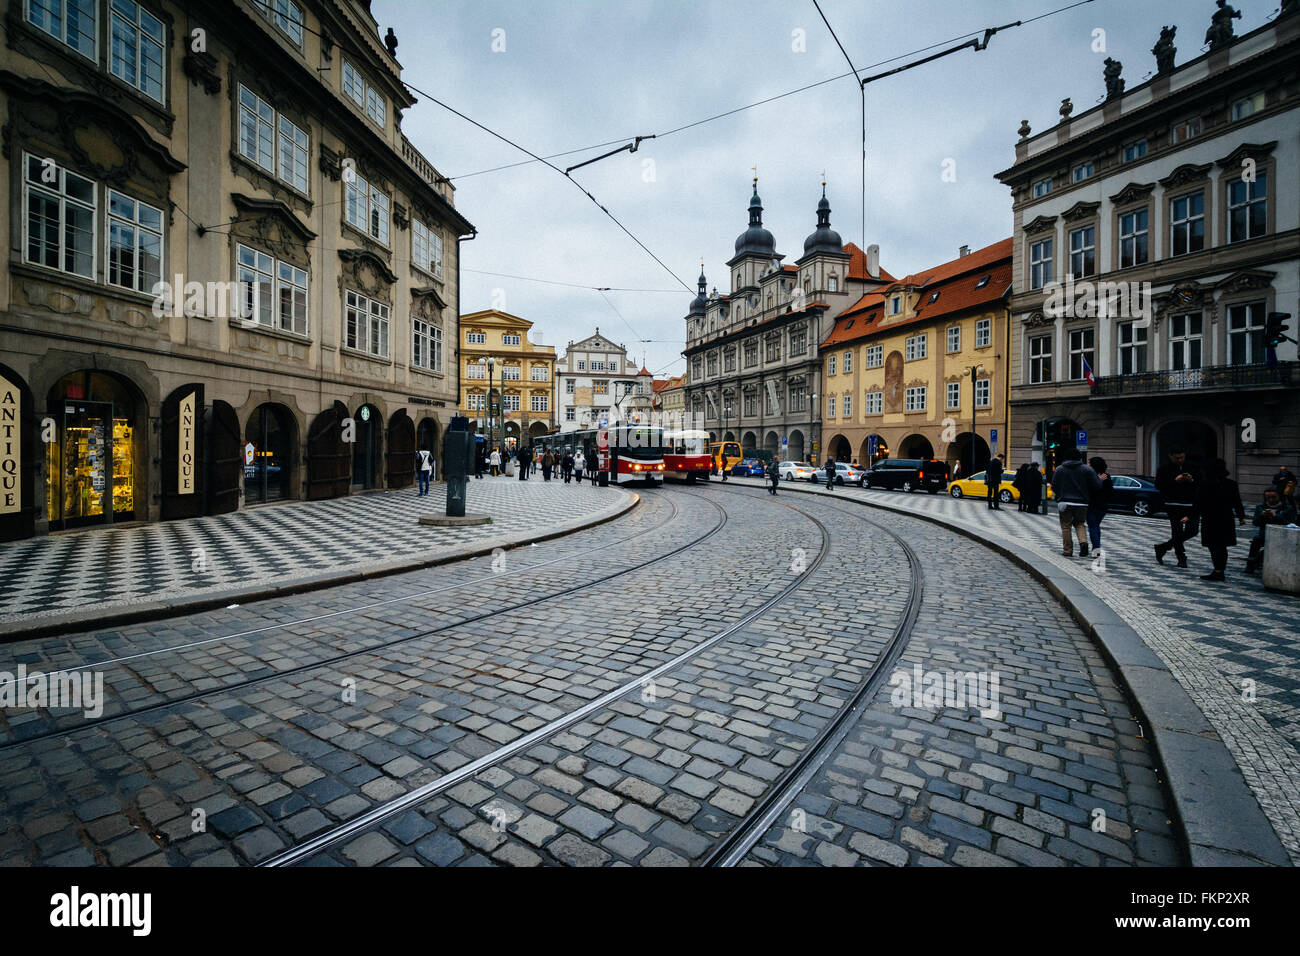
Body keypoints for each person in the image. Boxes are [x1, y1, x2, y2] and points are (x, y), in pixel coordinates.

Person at [1194, 457, 1245, 582]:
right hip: (1226, 518)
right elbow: (1237, 502)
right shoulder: (1232, 484)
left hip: (1210, 519)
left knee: (1213, 546)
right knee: (1222, 546)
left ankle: (1218, 571)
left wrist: (1190, 516)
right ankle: (1220, 570)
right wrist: (1241, 516)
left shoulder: (1205, 484)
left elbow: (1199, 503)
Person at [1051, 448, 1102, 557]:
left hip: (1064, 502)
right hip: (1082, 503)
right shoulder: (1087, 470)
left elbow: (1054, 486)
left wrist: (1060, 494)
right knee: (1080, 524)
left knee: (1066, 526)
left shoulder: (1060, 469)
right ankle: (1083, 542)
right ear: (1080, 457)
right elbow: (1097, 486)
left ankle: (1068, 550)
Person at [1154, 448, 1198, 568]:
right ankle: (1181, 558)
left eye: (1182, 457)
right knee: (1177, 531)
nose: (1180, 460)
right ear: (1170, 456)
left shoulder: (1193, 467)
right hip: (1173, 505)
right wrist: (1174, 481)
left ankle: (1163, 547)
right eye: (1177, 458)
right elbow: (1158, 485)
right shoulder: (1164, 469)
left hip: (1191, 505)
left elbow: (1201, 483)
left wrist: (1192, 480)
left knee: (1193, 530)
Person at [1246, 487, 1296, 575]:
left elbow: (1290, 524)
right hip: (1265, 534)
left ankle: (1260, 558)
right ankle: (1250, 564)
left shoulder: (1288, 508)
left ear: (1279, 496)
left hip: (1282, 535)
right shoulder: (1260, 507)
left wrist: (1275, 516)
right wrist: (1262, 515)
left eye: (1273, 497)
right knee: (1256, 540)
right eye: (1268, 497)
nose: (1270, 500)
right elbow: (1255, 523)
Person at [1086, 456, 1113, 556]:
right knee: (1096, 527)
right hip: (1102, 506)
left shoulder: (1092, 476)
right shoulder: (1106, 476)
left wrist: (1098, 480)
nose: (1088, 465)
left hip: (1093, 506)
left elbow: (1090, 490)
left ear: (1094, 465)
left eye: (1089, 463)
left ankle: (1096, 550)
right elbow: (1110, 492)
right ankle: (1095, 548)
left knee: (1093, 527)